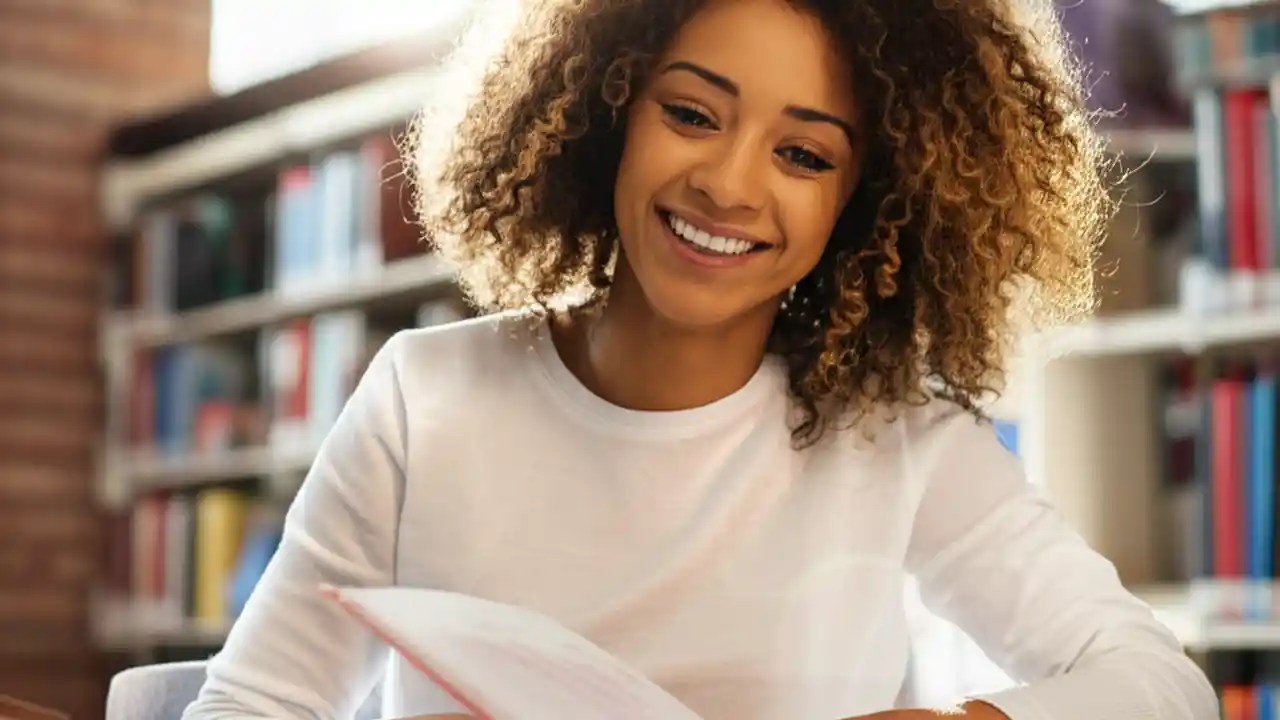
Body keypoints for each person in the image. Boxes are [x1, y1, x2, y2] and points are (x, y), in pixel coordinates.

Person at [183, 0, 1218, 718]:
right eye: (689, 113)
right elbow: (251, 704)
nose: (728, 184)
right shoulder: (426, 397)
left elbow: (1157, 688)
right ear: (604, 113)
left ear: (867, 204)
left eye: (802, 154)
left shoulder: (893, 431)